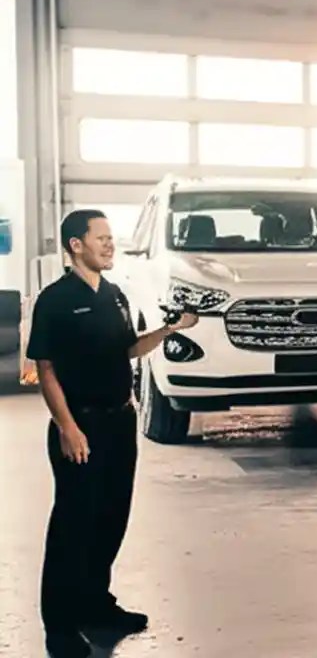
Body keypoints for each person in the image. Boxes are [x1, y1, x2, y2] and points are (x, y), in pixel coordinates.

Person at [28, 209, 197, 658]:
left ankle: (96, 605)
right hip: (80, 424)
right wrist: (68, 427)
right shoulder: (56, 300)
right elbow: (45, 369)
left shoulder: (116, 295)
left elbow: (129, 348)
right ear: (75, 245)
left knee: (109, 519)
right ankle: (61, 624)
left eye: (110, 238)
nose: (110, 244)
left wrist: (169, 329)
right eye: (100, 238)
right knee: (72, 525)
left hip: (120, 421)